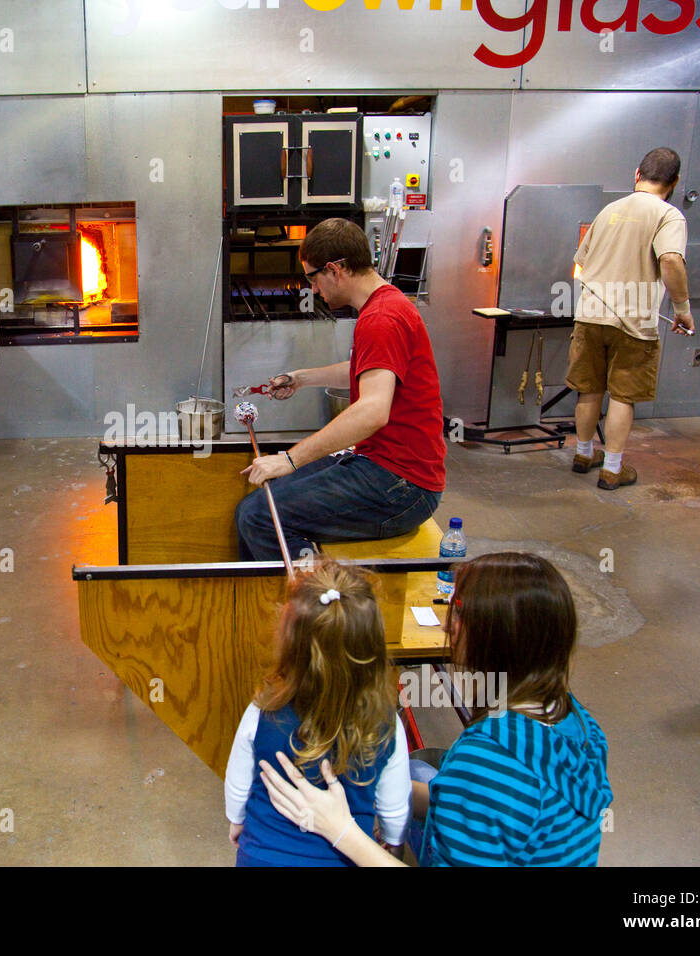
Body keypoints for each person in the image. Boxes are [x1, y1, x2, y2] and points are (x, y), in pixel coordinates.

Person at [257, 552, 613, 866]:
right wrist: (376, 783)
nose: (446, 625)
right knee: (415, 769)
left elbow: (482, 789)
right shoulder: (577, 722)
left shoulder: (486, 764)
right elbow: (468, 797)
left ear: (498, 635)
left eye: (458, 611)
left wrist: (339, 829)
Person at [234, 217, 446, 560]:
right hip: (385, 467)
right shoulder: (385, 304)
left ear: (334, 270)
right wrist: (302, 378)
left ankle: (319, 591)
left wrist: (290, 459)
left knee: (259, 516)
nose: (315, 290)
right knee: (262, 500)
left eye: (312, 279)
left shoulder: (382, 318)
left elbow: (373, 411)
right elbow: (369, 372)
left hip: (402, 486)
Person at [224, 559, 411, 866]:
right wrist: (394, 843)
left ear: (289, 642)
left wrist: (237, 820)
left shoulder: (263, 709)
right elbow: (394, 810)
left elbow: (238, 782)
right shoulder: (386, 723)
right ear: (373, 647)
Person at [567, 146, 695, 490]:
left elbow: (580, 263)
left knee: (589, 390)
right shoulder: (668, 216)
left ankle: (583, 454)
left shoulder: (609, 210)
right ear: (675, 182)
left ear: (637, 174)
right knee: (622, 396)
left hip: (590, 316)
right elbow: (671, 260)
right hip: (632, 323)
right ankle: (611, 469)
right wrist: (682, 309)